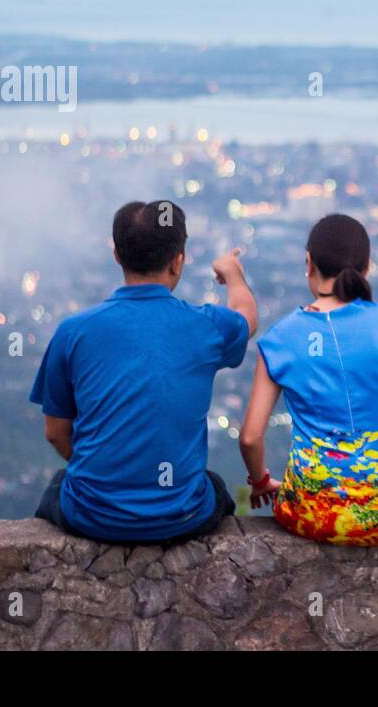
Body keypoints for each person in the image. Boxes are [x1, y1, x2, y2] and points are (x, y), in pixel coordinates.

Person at [30, 199, 257, 544]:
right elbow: (247, 317)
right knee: (214, 486)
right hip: (181, 514)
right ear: (178, 260)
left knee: (59, 485)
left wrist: (109, 473)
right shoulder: (205, 326)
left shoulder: (73, 331)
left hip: (92, 515)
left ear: (117, 255)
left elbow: (55, 432)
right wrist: (232, 273)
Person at [239, 213, 378, 546]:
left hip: (311, 513)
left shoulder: (280, 338)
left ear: (308, 263)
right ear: (366, 267)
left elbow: (251, 438)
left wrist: (260, 482)